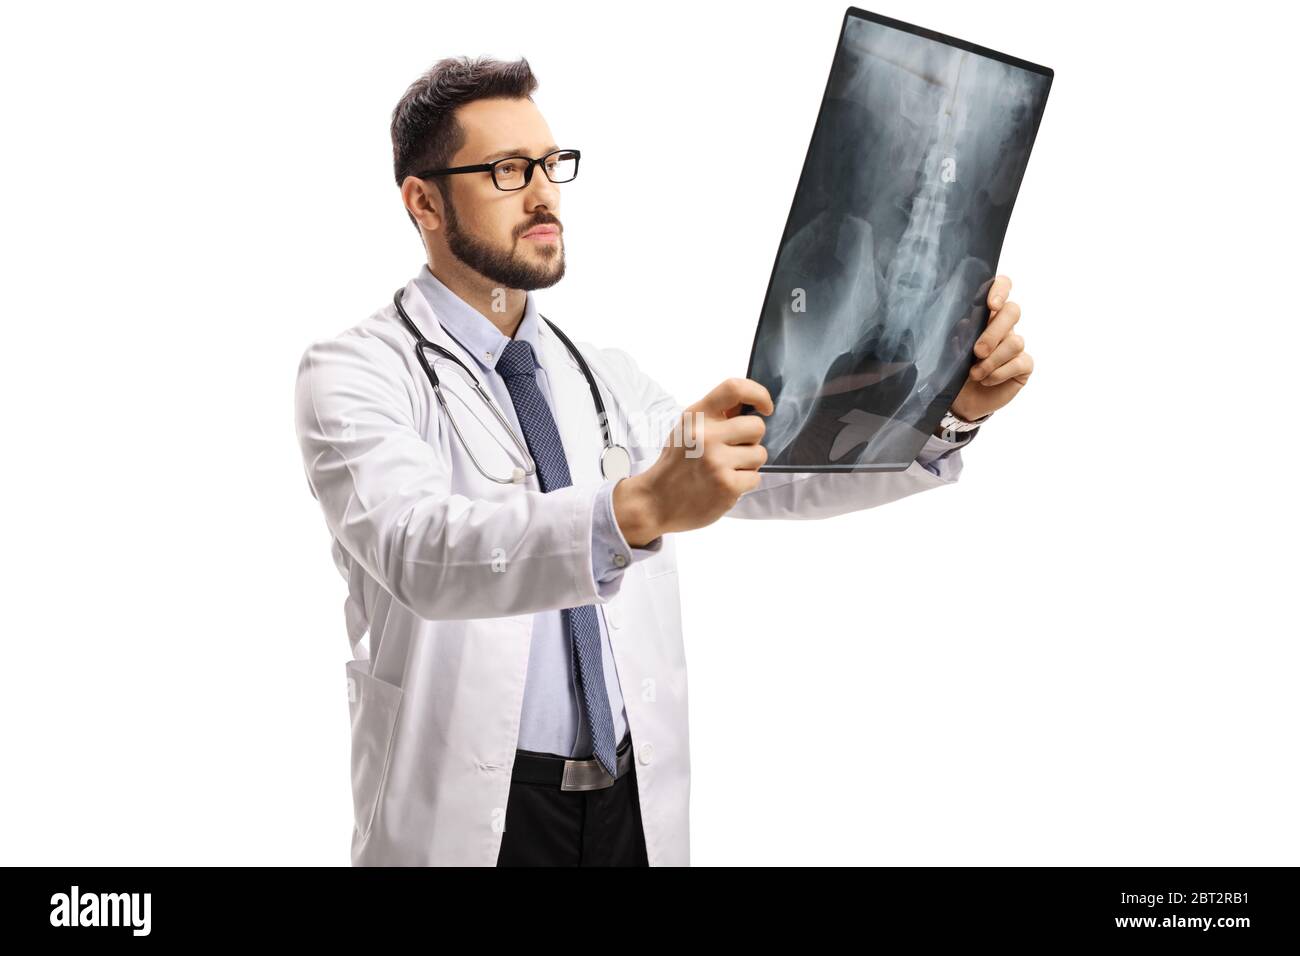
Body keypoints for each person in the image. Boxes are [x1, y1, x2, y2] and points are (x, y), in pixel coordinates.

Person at [292, 56, 1034, 866]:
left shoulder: (600, 377)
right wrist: (632, 509)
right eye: (508, 170)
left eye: (550, 164)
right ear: (423, 201)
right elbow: (422, 549)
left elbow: (762, 473)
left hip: (625, 809)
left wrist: (949, 415)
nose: (544, 194)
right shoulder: (355, 372)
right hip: (479, 815)